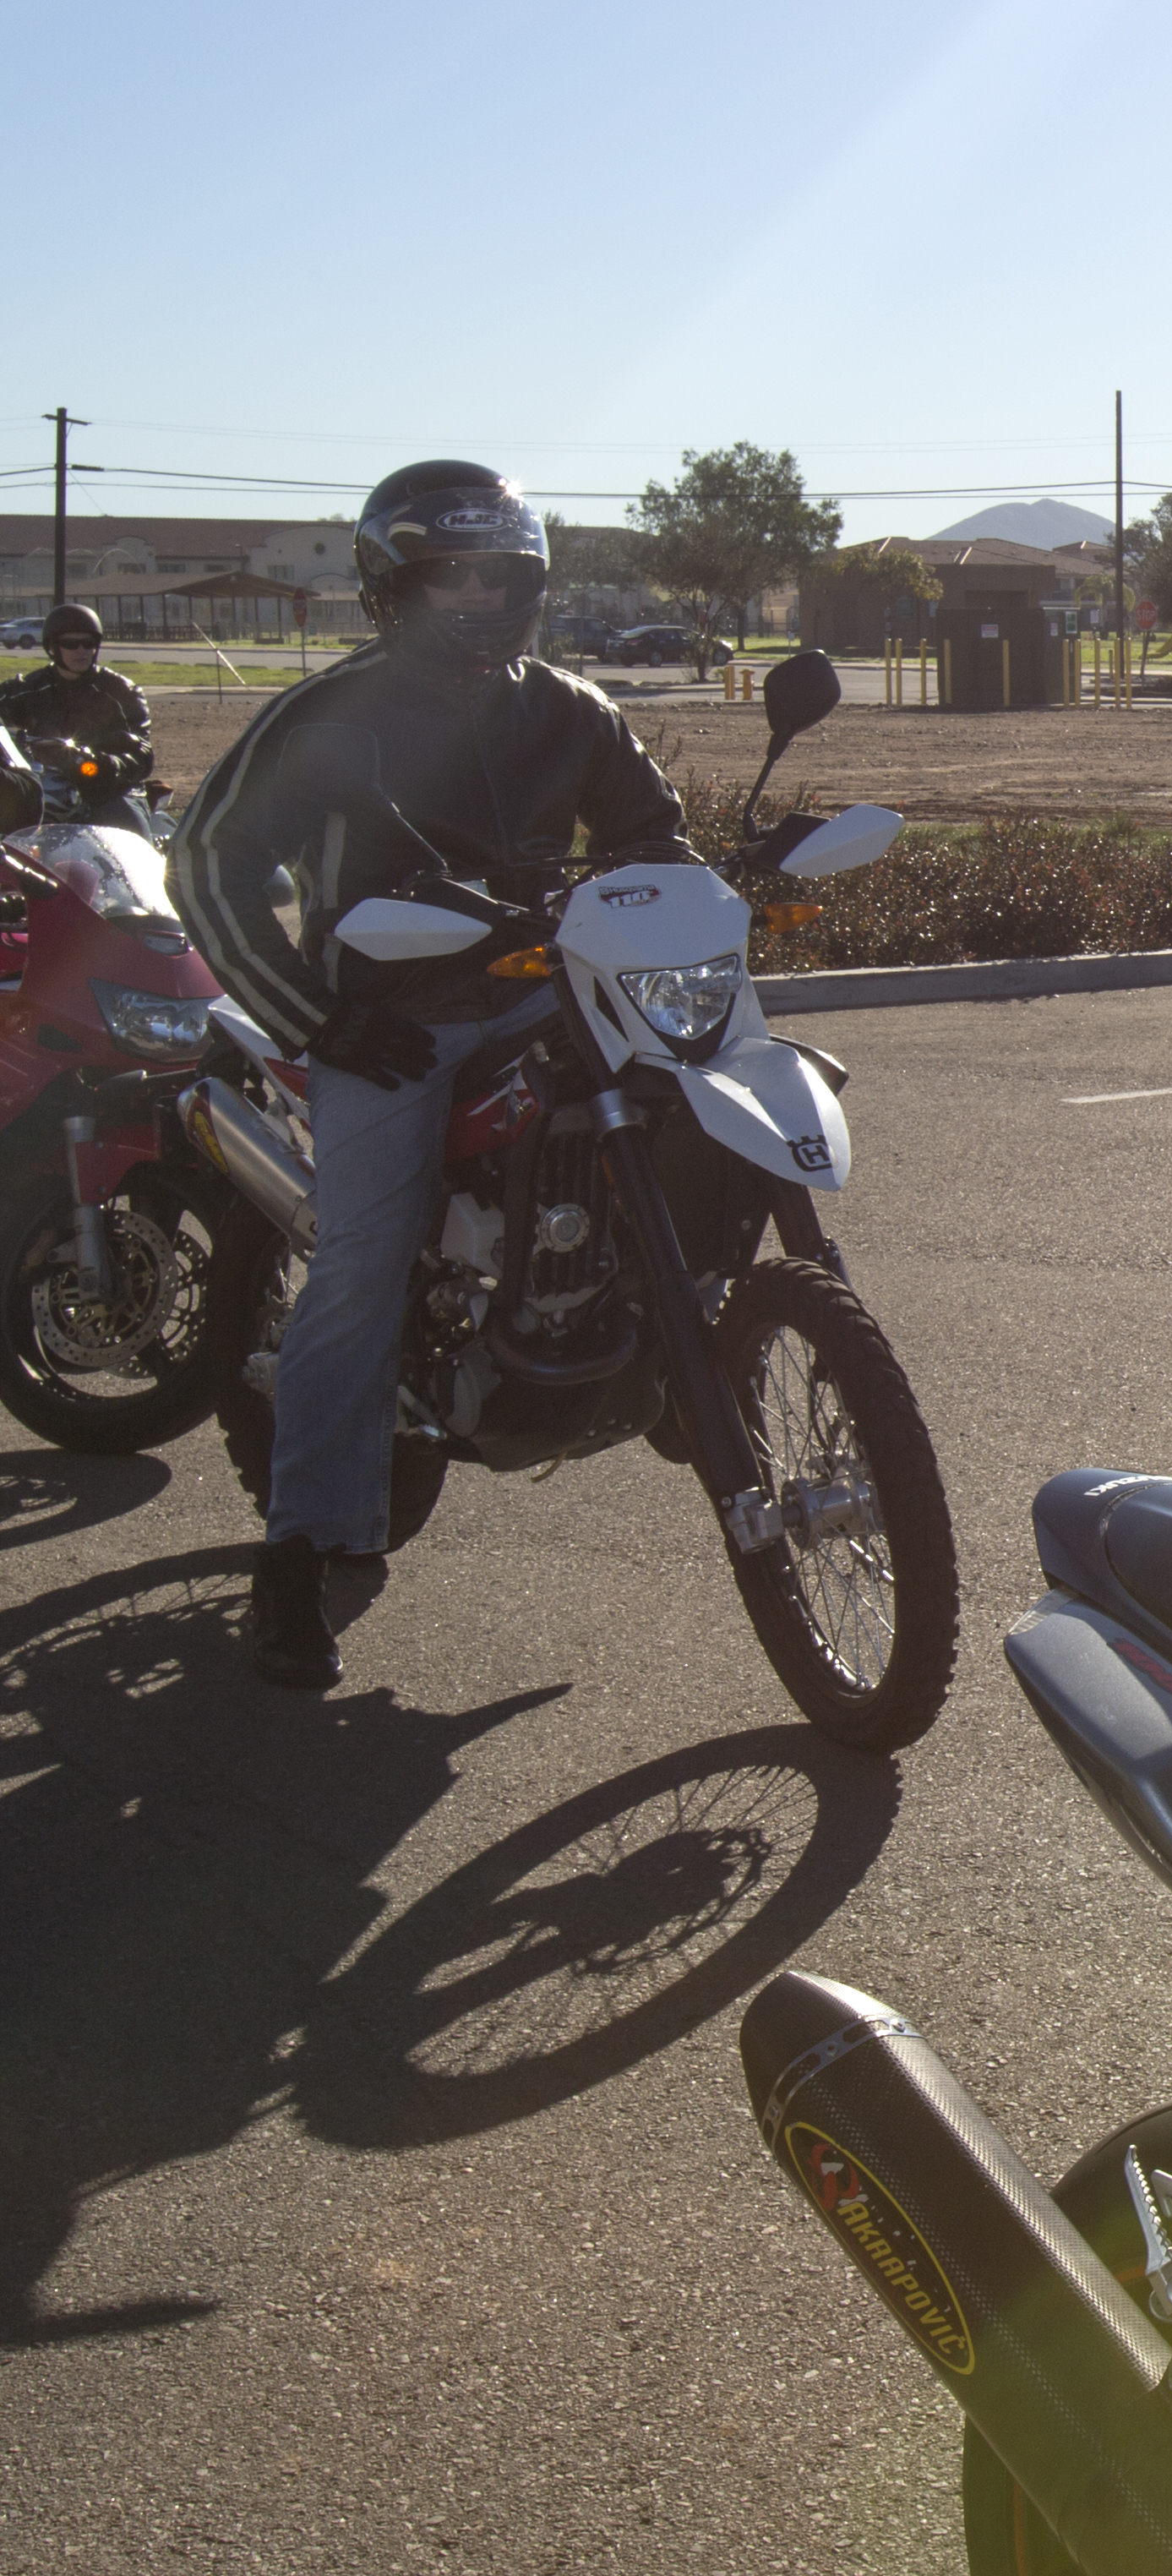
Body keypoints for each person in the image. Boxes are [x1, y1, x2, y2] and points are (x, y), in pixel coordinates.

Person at [170, 461, 684, 1689]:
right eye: (455, 572)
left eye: (505, 572)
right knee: (362, 1259)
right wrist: (316, 1020)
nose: (483, 594)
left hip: (552, 1007)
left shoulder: (570, 709)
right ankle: (305, 1551)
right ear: (391, 588)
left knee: (688, 1120)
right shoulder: (330, 716)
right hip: (387, 1025)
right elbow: (209, 862)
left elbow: (652, 837)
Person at [0, 603, 155, 798]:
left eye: (88, 643)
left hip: (110, 789)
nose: (81, 650)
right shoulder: (24, 691)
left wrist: (112, 764)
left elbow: (144, 754)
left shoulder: (122, 691)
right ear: (52, 647)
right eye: (71, 644)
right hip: (41, 787)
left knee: (127, 823)